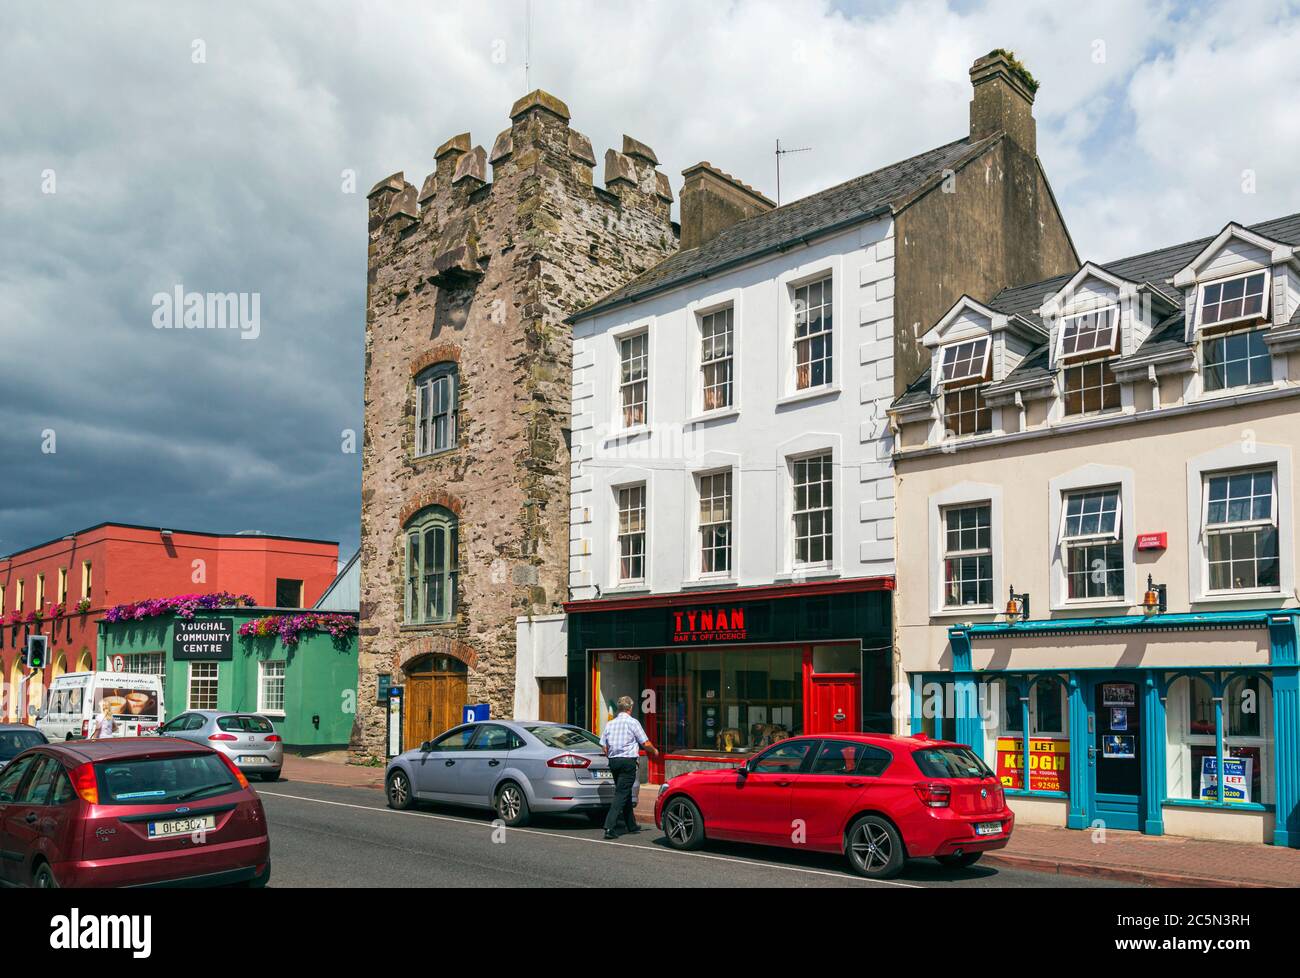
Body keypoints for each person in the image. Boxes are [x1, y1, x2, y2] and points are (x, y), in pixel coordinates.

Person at [599, 695, 658, 840]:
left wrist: (612, 755)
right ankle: (609, 827)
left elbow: (604, 747)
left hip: (613, 761)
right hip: (627, 762)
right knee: (621, 793)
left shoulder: (610, 724)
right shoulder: (633, 723)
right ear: (630, 708)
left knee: (623, 791)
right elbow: (645, 743)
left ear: (619, 709)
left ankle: (631, 825)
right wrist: (655, 751)